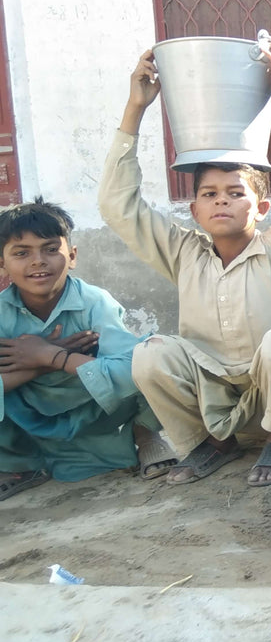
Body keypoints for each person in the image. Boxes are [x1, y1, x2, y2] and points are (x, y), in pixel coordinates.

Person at [99, 38, 271, 487]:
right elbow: (119, 206)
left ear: (261, 208)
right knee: (150, 355)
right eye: (209, 195)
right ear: (194, 211)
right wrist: (135, 109)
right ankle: (210, 445)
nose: (222, 203)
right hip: (215, 400)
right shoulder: (183, 252)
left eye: (236, 194)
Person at [0, 198, 173, 500]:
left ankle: (145, 434)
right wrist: (39, 364)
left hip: (94, 410)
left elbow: (128, 370)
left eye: (51, 249)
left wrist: (53, 356)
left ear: (73, 255)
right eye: (21, 253)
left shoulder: (94, 302)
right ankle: (21, 465)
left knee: (152, 355)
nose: (38, 261)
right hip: (28, 418)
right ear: (2, 263)